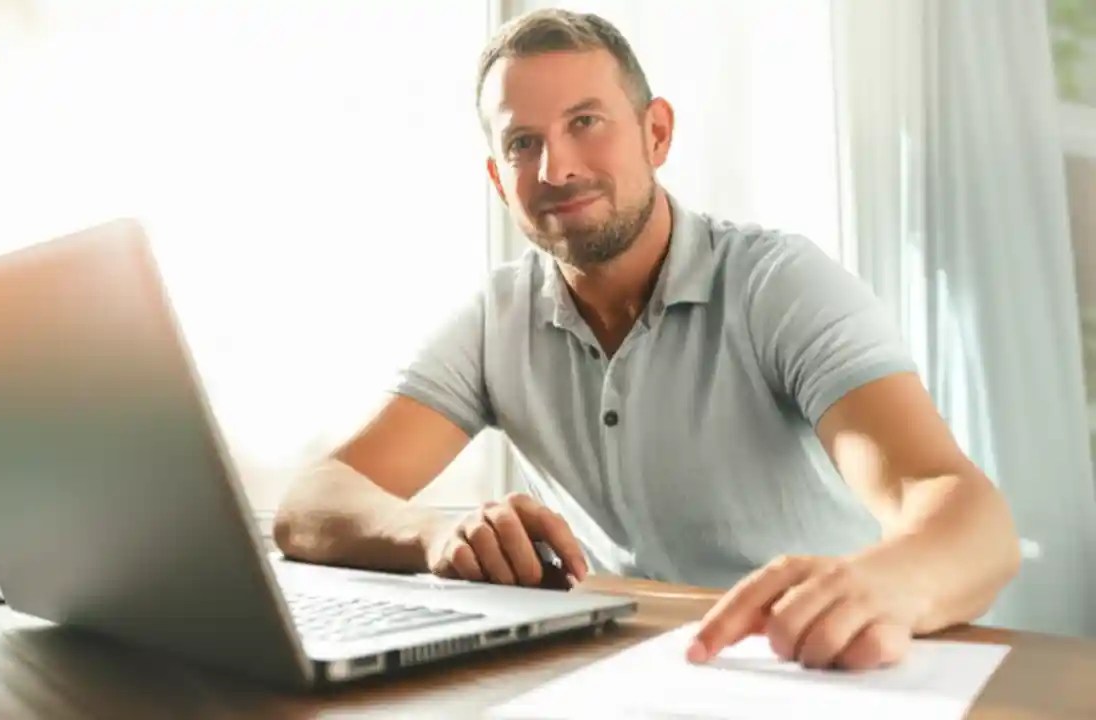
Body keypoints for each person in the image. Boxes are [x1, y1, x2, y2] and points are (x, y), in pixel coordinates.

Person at [274, 8, 1020, 671]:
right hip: (626, 670)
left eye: (585, 123)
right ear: (500, 182)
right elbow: (312, 501)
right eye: (523, 143)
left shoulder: (776, 283)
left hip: (816, 667)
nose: (556, 167)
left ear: (655, 132)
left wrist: (884, 582)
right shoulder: (494, 318)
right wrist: (432, 536)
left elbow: (962, 511)